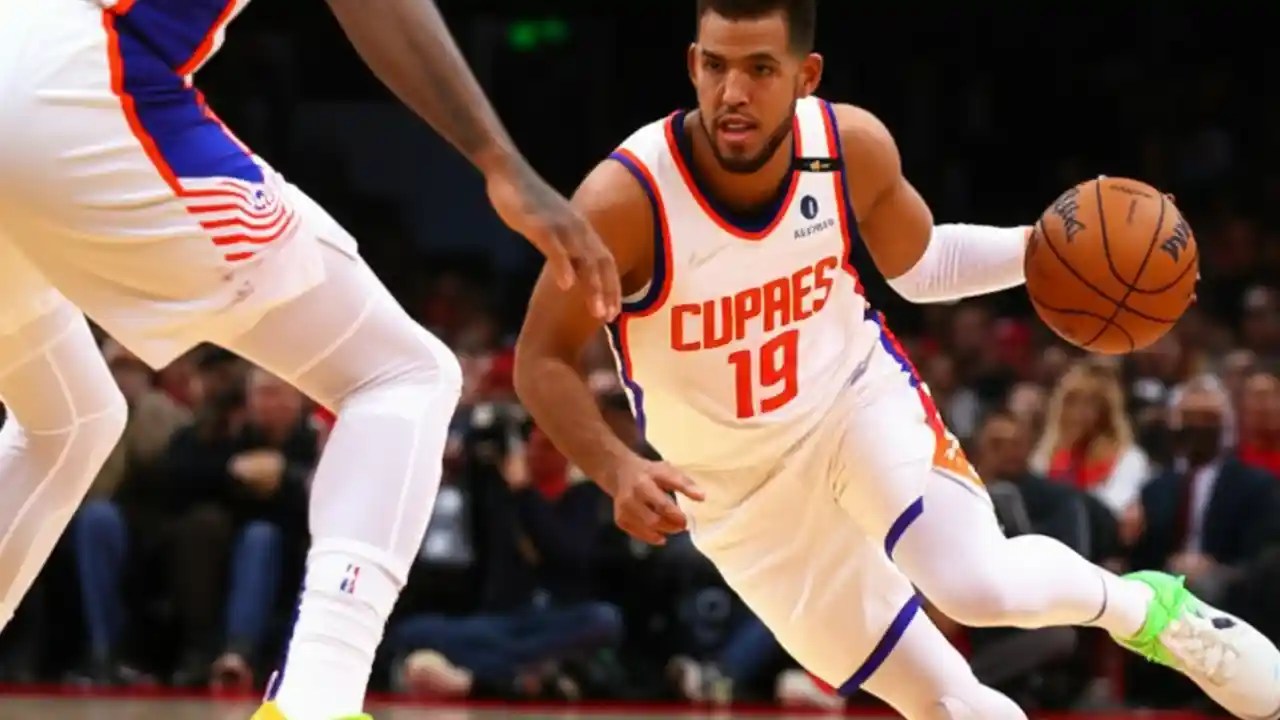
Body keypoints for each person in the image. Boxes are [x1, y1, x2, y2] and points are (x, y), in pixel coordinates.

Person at [512, 1, 1280, 718]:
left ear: (806, 76)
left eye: (760, 69)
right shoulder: (625, 201)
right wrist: (617, 467)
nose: (732, 92)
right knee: (950, 706)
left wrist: (1038, 251)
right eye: (715, 66)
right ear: (691, 65)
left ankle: (1152, 611)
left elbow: (921, 266)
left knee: (976, 582)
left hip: (854, 408)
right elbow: (541, 358)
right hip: (738, 500)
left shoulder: (848, 148)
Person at [0, 1, 620, 719]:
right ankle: (315, 703)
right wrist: (499, 160)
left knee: (68, 419)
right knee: (404, 375)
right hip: (72, 84)